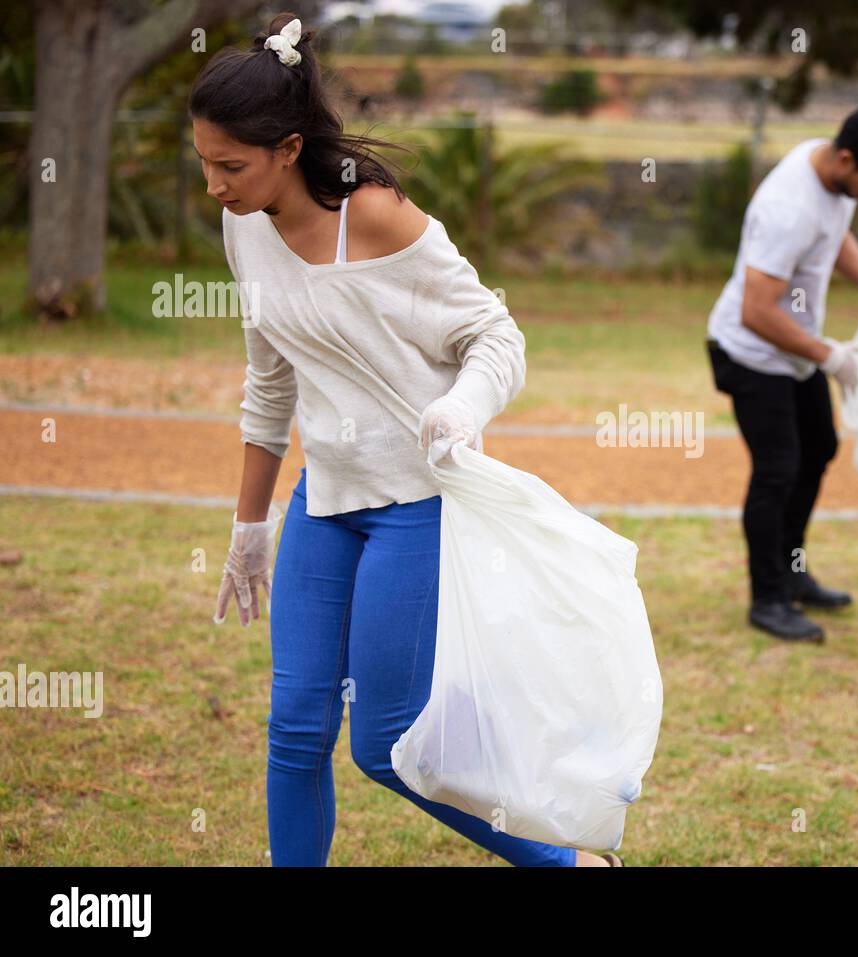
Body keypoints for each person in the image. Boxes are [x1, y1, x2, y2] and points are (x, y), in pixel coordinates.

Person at [199, 14, 621, 865]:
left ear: (287, 147)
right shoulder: (243, 223)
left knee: (385, 740)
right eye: (202, 163)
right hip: (327, 498)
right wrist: (250, 527)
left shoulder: (378, 217)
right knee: (294, 729)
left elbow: (496, 335)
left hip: (416, 501)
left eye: (231, 166)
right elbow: (270, 378)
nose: (214, 184)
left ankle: (566, 861)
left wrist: (463, 408)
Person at [705, 105, 858, 643]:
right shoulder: (787, 207)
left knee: (819, 447)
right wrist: (831, 356)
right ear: (847, 158)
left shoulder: (826, 166)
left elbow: (834, 231)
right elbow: (757, 310)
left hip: (795, 351)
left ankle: (792, 569)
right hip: (751, 352)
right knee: (777, 468)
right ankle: (768, 597)